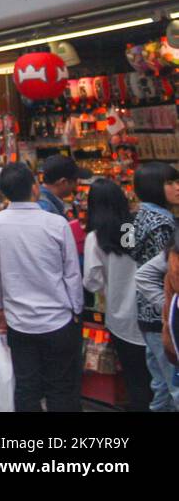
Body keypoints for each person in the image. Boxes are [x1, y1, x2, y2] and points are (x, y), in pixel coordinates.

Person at [0, 162, 83, 412]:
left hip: (20, 321)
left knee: (27, 387)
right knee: (60, 388)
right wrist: (76, 310)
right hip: (58, 318)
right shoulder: (56, 224)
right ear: (34, 187)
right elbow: (72, 273)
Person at [82, 178, 151, 412]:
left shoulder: (96, 238)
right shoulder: (136, 226)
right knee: (158, 376)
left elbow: (92, 281)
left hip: (121, 316)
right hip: (151, 312)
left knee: (135, 378)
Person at [130, 160, 179, 410]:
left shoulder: (135, 216)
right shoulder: (164, 224)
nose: (177, 187)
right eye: (169, 183)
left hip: (145, 311)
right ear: (154, 187)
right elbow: (166, 271)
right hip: (163, 316)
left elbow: (127, 246)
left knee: (161, 383)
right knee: (173, 385)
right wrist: (168, 307)